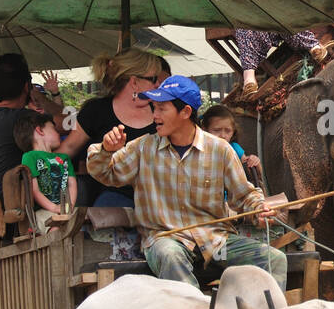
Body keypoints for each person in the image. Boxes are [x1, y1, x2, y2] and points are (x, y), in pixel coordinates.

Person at [86, 75, 287, 290]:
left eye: (161, 109)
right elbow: (105, 173)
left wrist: (259, 209)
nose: (155, 115)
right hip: (165, 240)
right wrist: (106, 150)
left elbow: (244, 196)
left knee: (275, 259)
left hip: (216, 241)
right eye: (154, 108)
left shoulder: (220, 150)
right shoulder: (143, 148)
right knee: (170, 255)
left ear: (185, 112)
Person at [60, 48, 162, 206]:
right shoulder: (96, 110)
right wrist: (37, 165)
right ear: (134, 82)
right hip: (114, 196)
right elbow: (69, 148)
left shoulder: (162, 109)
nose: (158, 84)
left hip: (157, 194)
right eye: (153, 79)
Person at [0, 54, 65, 196]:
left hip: (4, 198)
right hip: (20, 202)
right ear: (27, 86)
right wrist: (40, 97)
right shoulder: (22, 118)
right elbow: (70, 123)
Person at [14, 110, 78, 233]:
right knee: (55, 227)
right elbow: (34, 190)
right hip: (43, 211)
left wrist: (69, 207)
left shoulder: (64, 158)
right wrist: (54, 208)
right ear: (40, 130)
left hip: (65, 209)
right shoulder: (30, 157)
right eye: (54, 129)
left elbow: (72, 184)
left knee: (83, 219)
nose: (58, 132)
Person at [200, 104, 261, 173]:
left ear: (233, 131)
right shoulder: (198, 149)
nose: (223, 135)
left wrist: (253, 161)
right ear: (204, 130)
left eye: (228, 131)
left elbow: (248, 171)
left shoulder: (235, 149)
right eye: (217, 130)